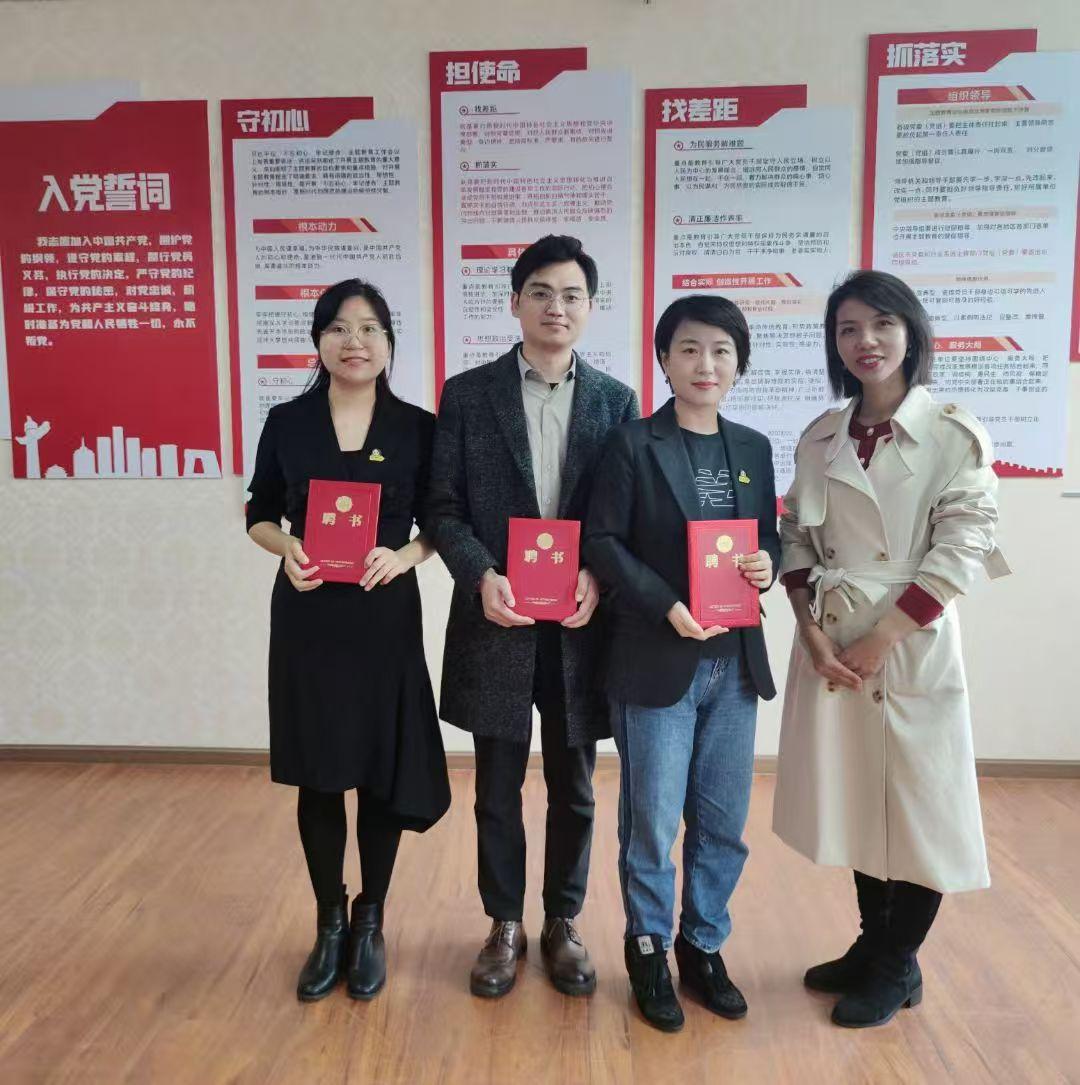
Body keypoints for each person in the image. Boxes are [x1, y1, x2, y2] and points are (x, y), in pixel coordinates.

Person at [772, 269, 1009, 1028]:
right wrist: (809, 628)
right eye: (848, 329)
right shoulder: (822, 435)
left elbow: (964, 546)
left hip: (909, 639)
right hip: (833, 634)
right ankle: (873, 944)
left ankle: (898, 961)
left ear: (912, 332)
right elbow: (795, 536)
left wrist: (882, 638)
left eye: (881, 324)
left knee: (919, 805)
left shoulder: (953, 434)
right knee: (857, 793)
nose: (865, 341)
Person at [428, 235, 638, 999]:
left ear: (590, 307)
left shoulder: (616, 401)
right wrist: (479, 573)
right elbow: (441, 506)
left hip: (580, 624)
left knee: (575, 785)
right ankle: (504, 923)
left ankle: (562, 921)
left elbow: (625, 514)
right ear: (515, 301)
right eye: (541, 292)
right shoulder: (467, 394)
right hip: (499, 617)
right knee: (496, 785)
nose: (557, 306)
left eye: (572, 294)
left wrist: (598, 576)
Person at [246, 279, 450, 1003]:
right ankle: (329, 920)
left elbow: (440, 522)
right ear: (318, 341)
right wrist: (287, 549)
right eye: (337, 328)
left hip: (382, 615)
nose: (353, 341)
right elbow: (258, 513)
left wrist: (407, 556)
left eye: (368, 329)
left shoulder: (419, 427)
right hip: (308, 616)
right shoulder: (288, 421)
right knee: (320, 768)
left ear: (389, 342)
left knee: (379, 768)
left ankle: (370, 919)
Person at [584, 295, 779, 1032]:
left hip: (735, 664)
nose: (706, 364)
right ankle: (648, 948)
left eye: (722, 350)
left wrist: (768, 563)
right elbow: (602, 541)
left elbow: (768, 538)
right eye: (690, 348)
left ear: (738, 363)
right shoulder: (633, 443)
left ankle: (703, 945)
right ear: (665, 359)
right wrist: (666, 603)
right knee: (653, 821)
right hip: (657, 658)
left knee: (724, 823)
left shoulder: (753, 447)